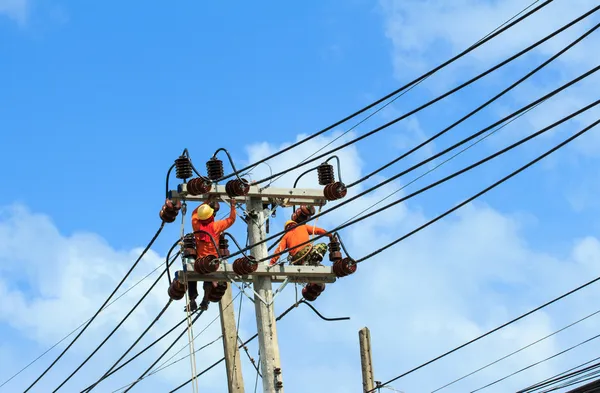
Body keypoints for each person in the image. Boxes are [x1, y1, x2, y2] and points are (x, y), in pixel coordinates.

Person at [186, 198, 236, 311]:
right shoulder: (217, 226)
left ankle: (192, 300)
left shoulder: (196, 224)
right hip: (213, 262)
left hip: (199, 261)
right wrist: (233, 206)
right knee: (210, 275)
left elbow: (194, 213)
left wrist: (206, 201)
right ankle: (205, 299)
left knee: (191, 275)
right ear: (211, 215)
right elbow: (231, 219)